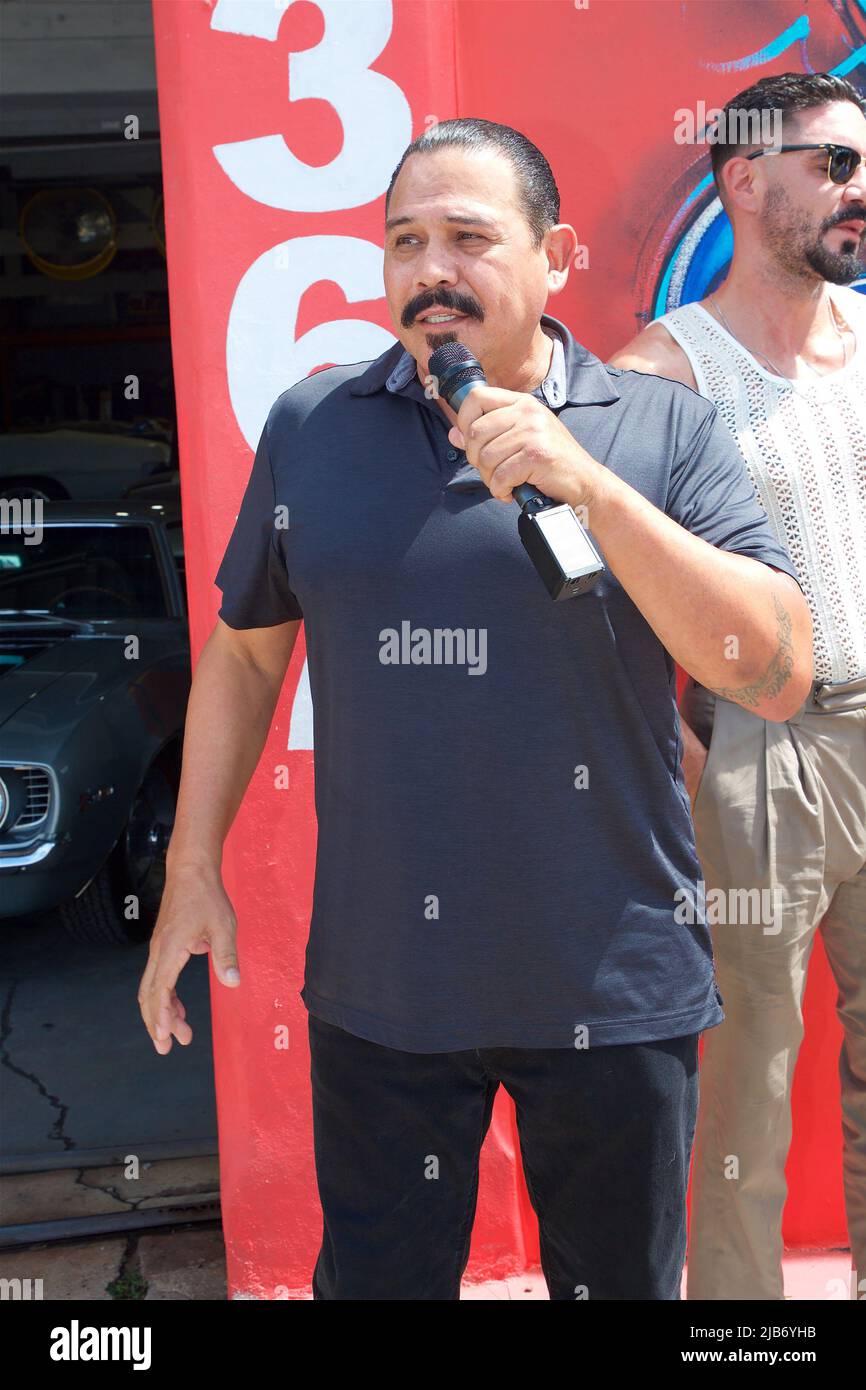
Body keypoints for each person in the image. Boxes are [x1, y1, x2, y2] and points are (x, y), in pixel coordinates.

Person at [139, 118, 812, 1301]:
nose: (429, 269)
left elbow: (768, 667)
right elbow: (245, 659)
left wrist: (583, 482)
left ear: (555, 257)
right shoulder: (314, 425)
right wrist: (192, 860)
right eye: (404, 241)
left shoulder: (661, 429)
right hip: (387, 991)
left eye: (466, 237)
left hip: (613, 986)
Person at [610, 72, 866, 1301]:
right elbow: (594, 586)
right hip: (754, 747)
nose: (856, 190)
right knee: (750, 1076)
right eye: (831, 163)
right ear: (742, 180)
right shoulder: (662, 372)